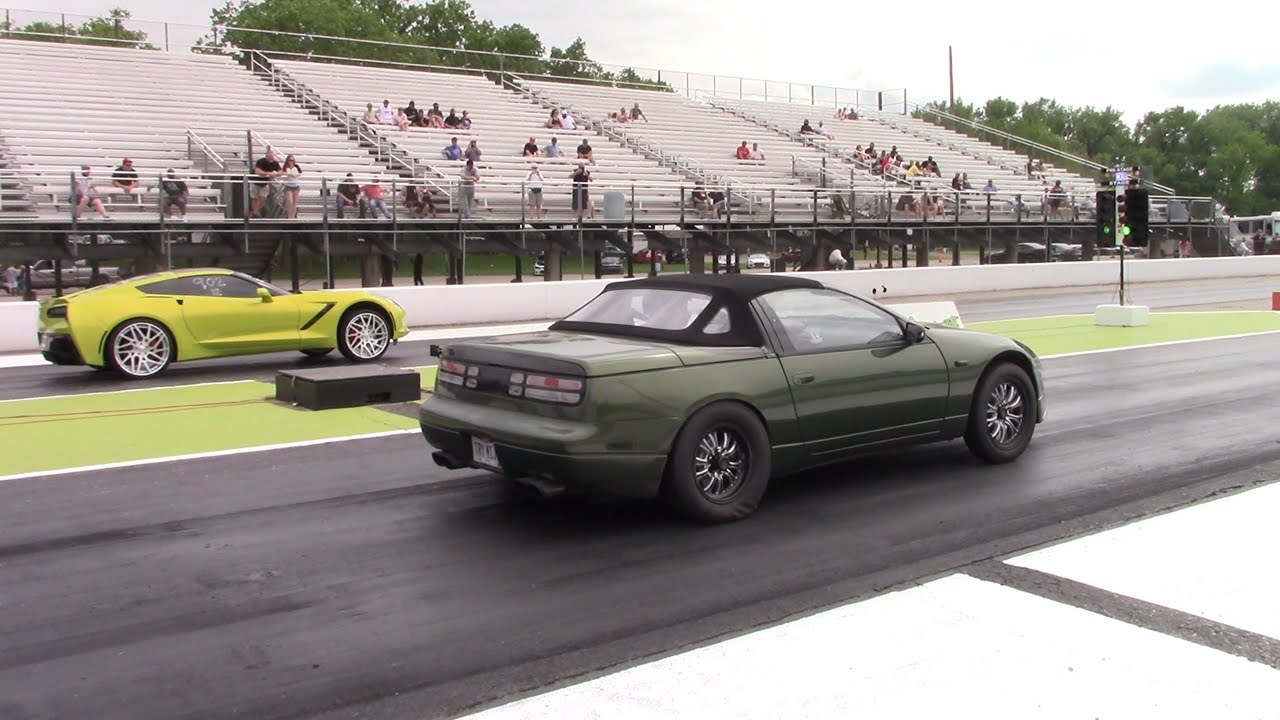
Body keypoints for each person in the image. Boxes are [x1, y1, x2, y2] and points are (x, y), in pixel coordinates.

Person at [250, 149, 283, 217]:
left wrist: (276, 174)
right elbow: (258, 171)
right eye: (269, 157)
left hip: (264, 183)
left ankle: (255, 212)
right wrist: (268, 173)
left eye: (272, 157)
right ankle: (255, 213)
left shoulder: (275, 163)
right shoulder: (260, 162)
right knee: (255, 198)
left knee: (263, 198)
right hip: (255, 181)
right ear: (266, 156)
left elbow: (280, 171)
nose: (271, 158)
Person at [282, 154, 302, 219]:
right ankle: (289, 216)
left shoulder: (296, 166)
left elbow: (301, 173)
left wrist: (295, 174)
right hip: (288, 186)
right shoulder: (285, 167)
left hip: (295, 185)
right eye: (290, 160)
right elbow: (282, 173)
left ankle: (293, 217)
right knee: (290, 201)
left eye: (292, 160)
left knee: (295, 203)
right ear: (287, 160)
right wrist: (288, 174)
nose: (291, 162)